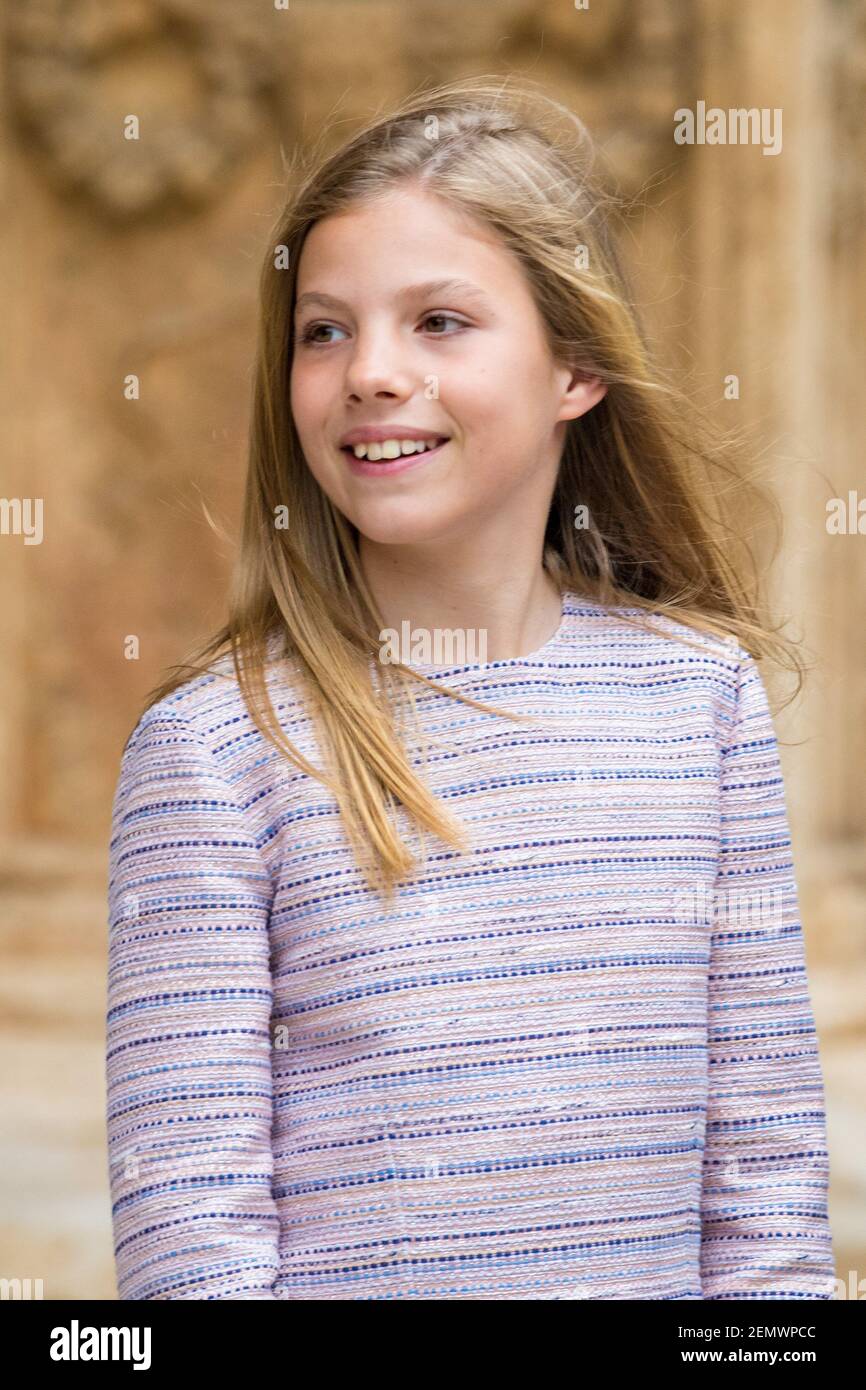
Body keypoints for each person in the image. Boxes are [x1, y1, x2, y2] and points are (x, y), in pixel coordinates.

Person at [105, 76, 835, 1300]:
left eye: (438, 321)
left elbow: (762, 1194)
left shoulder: (699, 705)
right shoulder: (217, 749)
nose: (370, 372)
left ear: (576, 367)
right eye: (323, 329)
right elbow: (191, 1237)